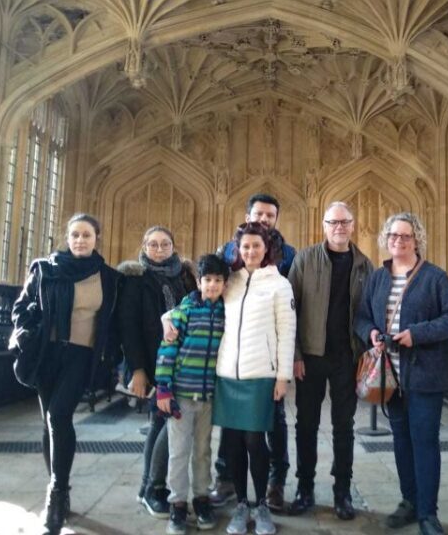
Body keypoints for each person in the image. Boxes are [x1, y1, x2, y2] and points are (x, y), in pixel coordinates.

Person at [355, 212, 448, 535]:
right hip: (390, 376)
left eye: (405, 236)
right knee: (401, 441)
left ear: (417, 240)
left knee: (425, 441)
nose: (398, 241)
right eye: (393, 236)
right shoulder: (378, 277)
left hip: (425, 375)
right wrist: (372, 333)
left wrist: (417, 334)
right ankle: (409, 501)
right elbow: (361, 318)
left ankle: (428, 512)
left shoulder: (434, 277)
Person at [11, 214, 121, 535]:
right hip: (48, 353)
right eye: (74, 235)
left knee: (59, 416)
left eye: (86, 235)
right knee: (50, 423)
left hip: (81, 355)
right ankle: (59, 491)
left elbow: (113, 321)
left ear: (96, 238)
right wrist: (29, 332)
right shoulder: (46, 269)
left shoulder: (109, 277)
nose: (80, 240)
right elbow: (21, 308)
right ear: (67, 237)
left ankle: (56, 494)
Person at [287, 201, 373, 520]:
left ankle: (342, 493)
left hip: (346, 358)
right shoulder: (305, 259)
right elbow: (289, 309)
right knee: (306, 425)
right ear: (323, 225)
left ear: (353, 225)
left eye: (344, 222)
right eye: (333, 222)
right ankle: (304, 488)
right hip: (310, 357)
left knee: (343, 427)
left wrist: (364, 353)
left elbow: (370, 313)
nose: (339, 227)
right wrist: (295, 355)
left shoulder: (365, 265)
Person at [212, 193, 296, 512]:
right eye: (258, 213)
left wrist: (284, 370)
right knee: (231, 429)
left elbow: (289, 317)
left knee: (272, 425)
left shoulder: (287, 256)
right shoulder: (229, 255)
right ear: (247, 216)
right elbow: (209, 290)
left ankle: (274, 483)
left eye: (269, 215)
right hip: (231, 360)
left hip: (266, 361)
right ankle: (226, 480)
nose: (263, 219)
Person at [117, 226, 197, 518]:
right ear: (144, 246)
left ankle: (147, 487)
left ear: (174, 247)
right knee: (163, 421)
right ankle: (154, 488)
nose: (159, 249)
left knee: (161, 423)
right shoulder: (135, 279)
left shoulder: (185, 276)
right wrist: (137, 369)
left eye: (165, 244)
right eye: (153, 244)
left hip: (184, 361)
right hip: (153, 362)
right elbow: (129, 327)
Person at [156, 254, 228, 535]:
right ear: (198, 282)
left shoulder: (226, 312)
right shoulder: (183, 311)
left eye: (218, 281)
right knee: (178, 451)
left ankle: (201, 499)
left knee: (202, 450)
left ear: (224, 284)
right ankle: (177, 504)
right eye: (207, 280)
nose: (212, 286)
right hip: (182, 393)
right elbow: (167, 349)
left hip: (208, 395)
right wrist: (163, 388)